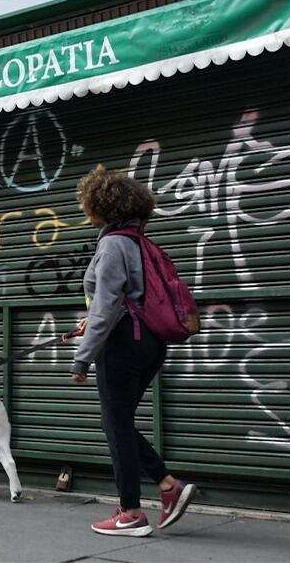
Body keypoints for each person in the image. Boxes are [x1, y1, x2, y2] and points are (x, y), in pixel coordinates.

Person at [71, 165, 196, 538]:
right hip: (150, 344)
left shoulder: (112, 244)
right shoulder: (141, 242)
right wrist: (90, 322)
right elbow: (125, 301)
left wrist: (83, 356)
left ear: (100, 206)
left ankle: (132, 512)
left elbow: (108, 305)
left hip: (123, 344)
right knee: (120, 422)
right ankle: (166, 486)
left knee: (115, 425)